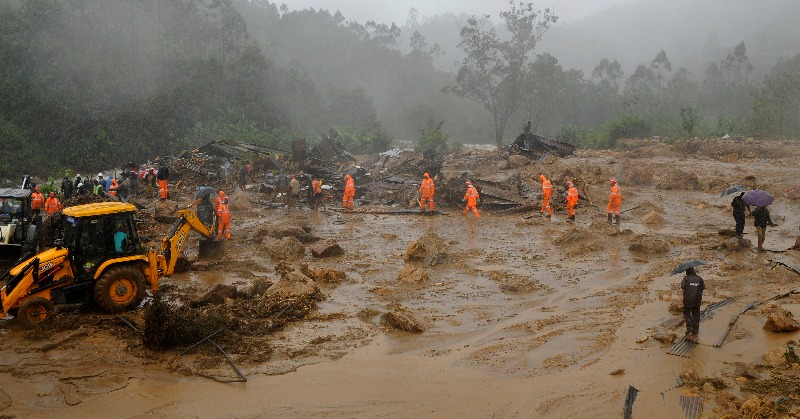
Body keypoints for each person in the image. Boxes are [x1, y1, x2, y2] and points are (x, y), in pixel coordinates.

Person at [681, 267, 705, 342]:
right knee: (696, 314)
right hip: (697, 300)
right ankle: (695, 331)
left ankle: (689, 328)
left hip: (687, 300)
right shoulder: (700, 279)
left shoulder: (685, 279)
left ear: (687, 272)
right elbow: (703, 287)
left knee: (687, 313)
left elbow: (683, 287)